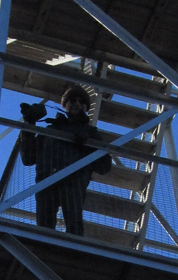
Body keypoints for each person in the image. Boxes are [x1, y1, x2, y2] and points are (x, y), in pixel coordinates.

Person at [18, 85, 112, 236]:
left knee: (74, 227)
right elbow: (28, 158)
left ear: (86, 108)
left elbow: (105, 166)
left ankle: (74, 255)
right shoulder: (50, 130)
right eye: (72, 100)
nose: (77, 103)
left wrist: (89, 146)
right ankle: (43, 250)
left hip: (73, 182)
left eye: (82, 102)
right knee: (44, 228)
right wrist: (29, 125)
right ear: (65, 105)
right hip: (46, 181)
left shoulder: (91, 133)